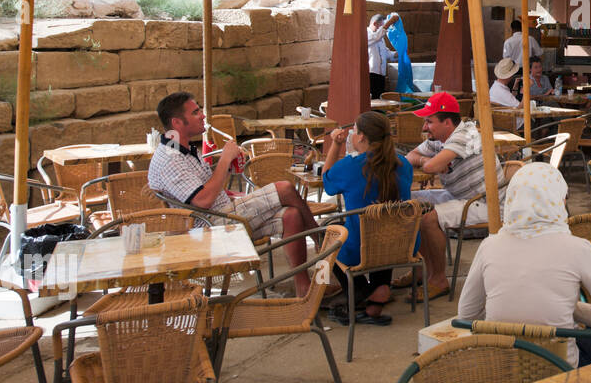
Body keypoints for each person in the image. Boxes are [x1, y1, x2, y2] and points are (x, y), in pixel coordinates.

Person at [456, 163, 591, 366]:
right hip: (560, 373)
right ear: (558, 201)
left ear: (513, 200)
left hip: (501, 372)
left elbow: (467, 316)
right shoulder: (578, 249)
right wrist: (573, 310)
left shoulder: (488, 246)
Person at [148, 92, 322, 294]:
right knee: (285, 188)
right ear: (177, 122)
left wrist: (233, 194)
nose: (203, 116)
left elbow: (204, 189)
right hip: (208, 228)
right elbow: (203, 200)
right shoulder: (171, 158)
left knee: (292, 216)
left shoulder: (181, 148)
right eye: (196, 112)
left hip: (224, 214)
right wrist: (224, 159)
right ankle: (320, 239)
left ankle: (304, 287)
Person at [404, 92, 503, 301]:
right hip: (460, 195)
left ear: (447, 122)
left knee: (428, 218)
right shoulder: (440, 138)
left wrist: (427, 162)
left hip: (485, 202)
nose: (424, 127)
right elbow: (409, 158)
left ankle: (438, 279)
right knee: (409, 204)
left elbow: (432, 166)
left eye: (429, 121)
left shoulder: (465, 135)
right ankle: (424, 269)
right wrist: (427, 161)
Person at [321, 112, 413, 326]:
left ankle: (360, 288)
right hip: (401, 244)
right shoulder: (403, 164)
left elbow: (327, 182)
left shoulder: (351, 167)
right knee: (384, 225)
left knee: (326, 232)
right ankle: (379, 293)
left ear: (361, 137)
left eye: (354, 130)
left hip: (361, 247)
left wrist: (335, 145)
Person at [366, 13, 399, 98]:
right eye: (381, 27)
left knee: (380, 97)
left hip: (381, 74)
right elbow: (376, 37)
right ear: (374, 24)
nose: (384, 30)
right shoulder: (366, 33)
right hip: (371, 74)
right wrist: (389, 22)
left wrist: (398, 53)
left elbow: (386, 53)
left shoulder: (380, 38)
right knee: (372, 98)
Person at [384, 14, 418, 94]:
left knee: (405, 70)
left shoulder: (394, 25)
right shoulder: (390, 31)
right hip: (401, 56)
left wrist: (385, 26)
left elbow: (396, 17)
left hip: (402, 55)